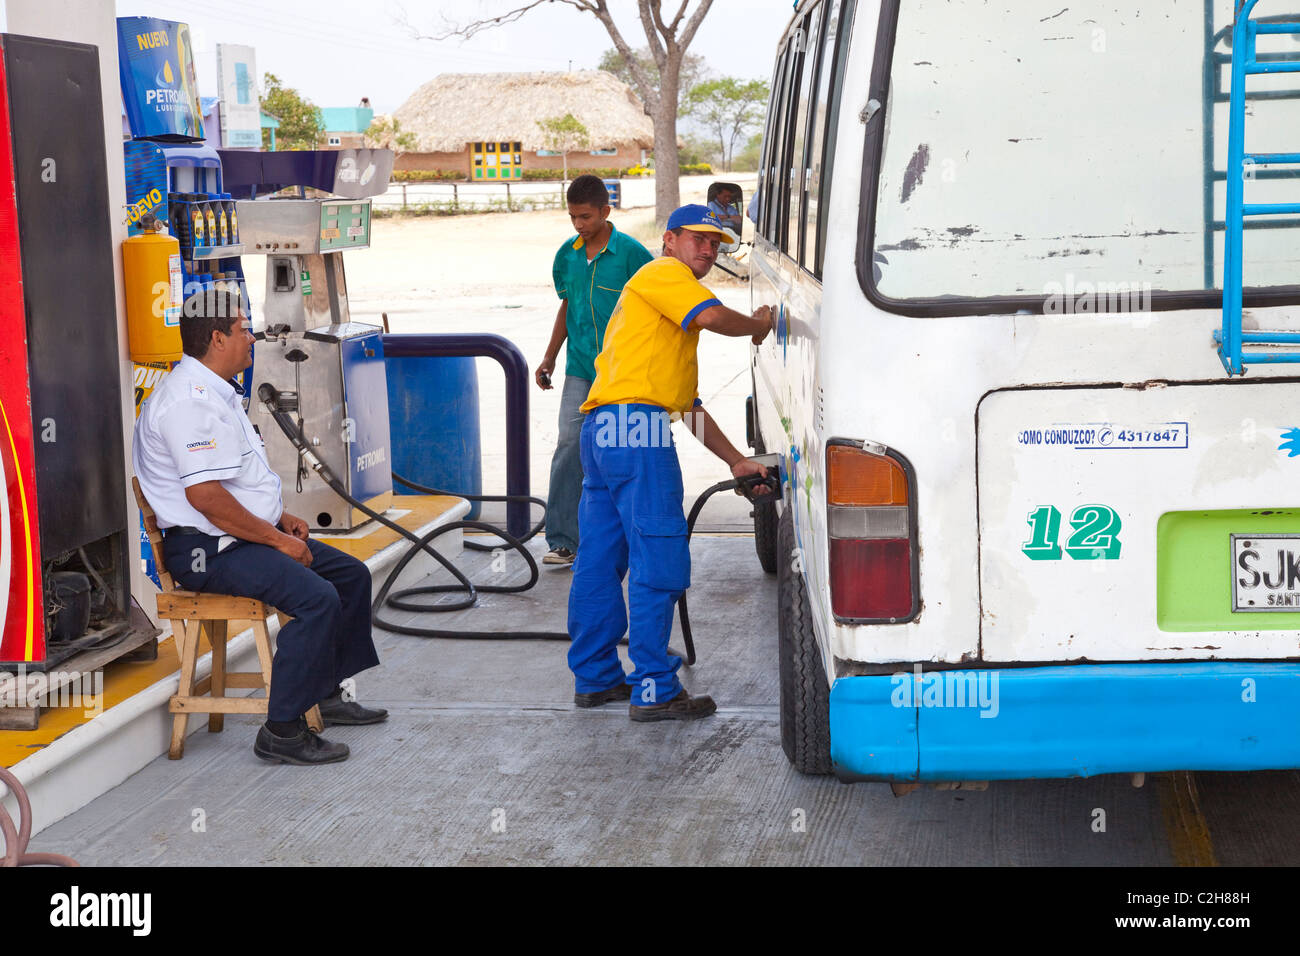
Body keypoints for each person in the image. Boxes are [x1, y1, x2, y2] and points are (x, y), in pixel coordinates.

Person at [132, 290, 387, 766]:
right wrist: (277, 541)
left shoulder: (217, 391)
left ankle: (325, 693)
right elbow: (205, 499)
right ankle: (282, 732)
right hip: (209, 550)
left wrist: (280, 518)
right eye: (243, 328)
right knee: (316, 599)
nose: (252, 337)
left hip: (242, 535)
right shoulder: (189, 403)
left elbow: (235, 481)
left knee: (351, 576)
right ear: (216, 337)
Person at [566, 204, 774, 721]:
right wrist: (756, 324)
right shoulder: (665, 274)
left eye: (716, 244)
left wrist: (736, 462)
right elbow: (711, 315)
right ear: (670, 240)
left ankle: (594, 678)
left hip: (604, 429)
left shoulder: (658, 318)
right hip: (637, 432)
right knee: (658, 555)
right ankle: (655, 686)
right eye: (698, 239)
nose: (708, 250)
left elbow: (687, 407)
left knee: (600, 560)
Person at [535, 174, 653, 566]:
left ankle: (632, 537)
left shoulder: (633, 255)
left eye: (585, 216)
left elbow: (657, 309)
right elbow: (567, 307)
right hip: (581, 368)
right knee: (570, 444)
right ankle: (564, 540)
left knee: (628, 448)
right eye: (572, 217)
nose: (579, 225)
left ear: (605, 211)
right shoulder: (566, 256)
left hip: (625, 374)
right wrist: (550, 356)